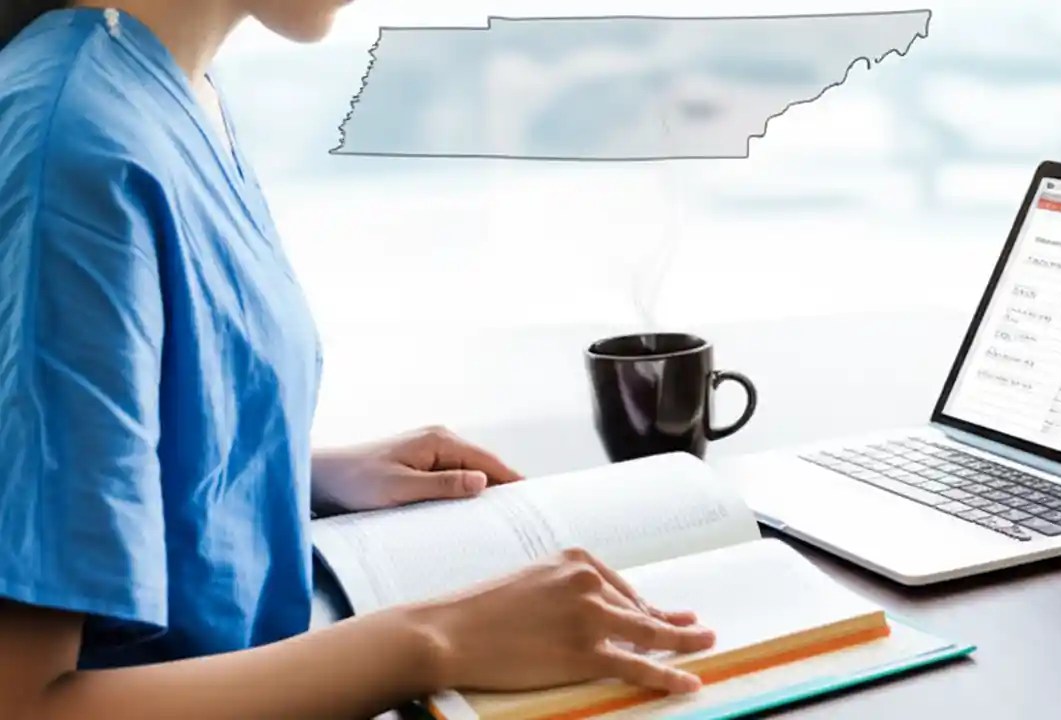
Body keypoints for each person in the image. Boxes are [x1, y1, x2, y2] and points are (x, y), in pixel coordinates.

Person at [0, 2, 716, 718]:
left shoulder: (170, 89)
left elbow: (104, 428)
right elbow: (26, 703)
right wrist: (436, 640)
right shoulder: (74, 154)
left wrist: (288, 470)